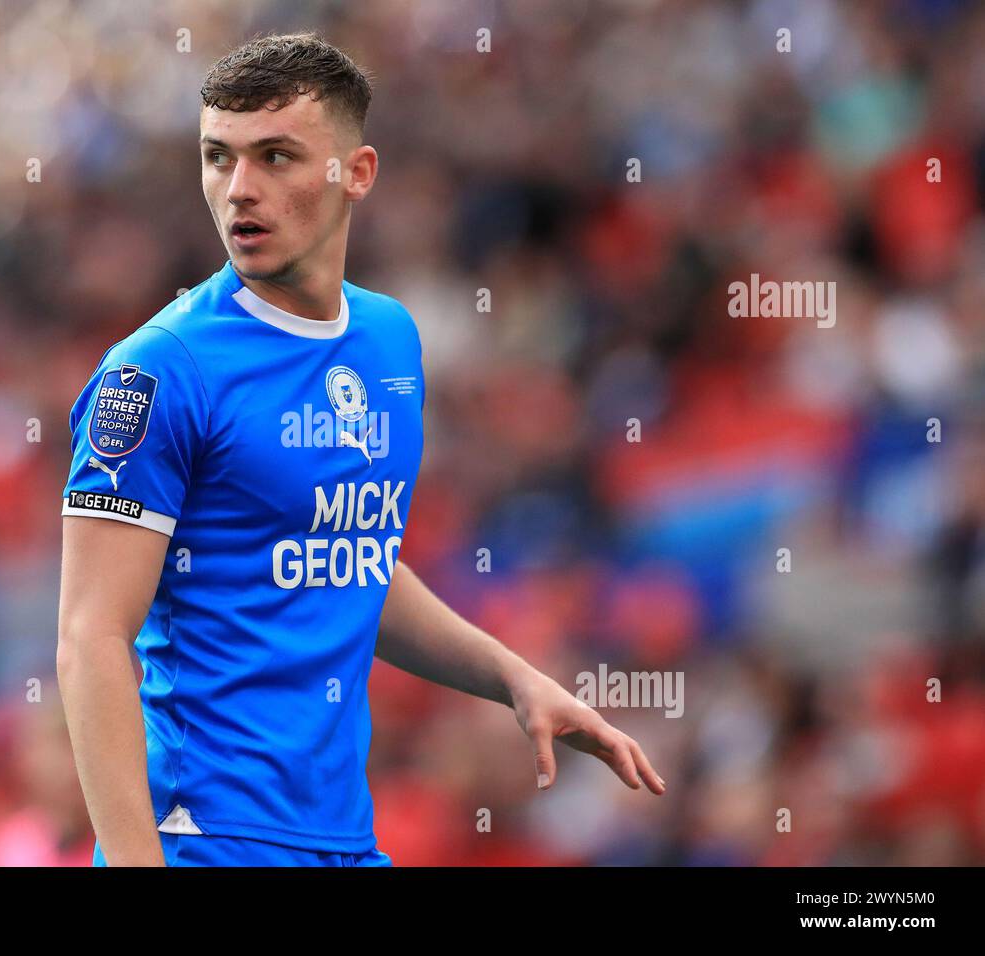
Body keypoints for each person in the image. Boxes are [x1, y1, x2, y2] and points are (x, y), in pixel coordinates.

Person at [56, 31, 664, 868]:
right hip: (203, 839)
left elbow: (351, 560)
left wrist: (514, 678)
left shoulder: (388, 340)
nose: (240, 190)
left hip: (341, 839)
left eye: (276, 157)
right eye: (217, 157)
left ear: (357, 172)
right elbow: (90, 634)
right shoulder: (160, 371)